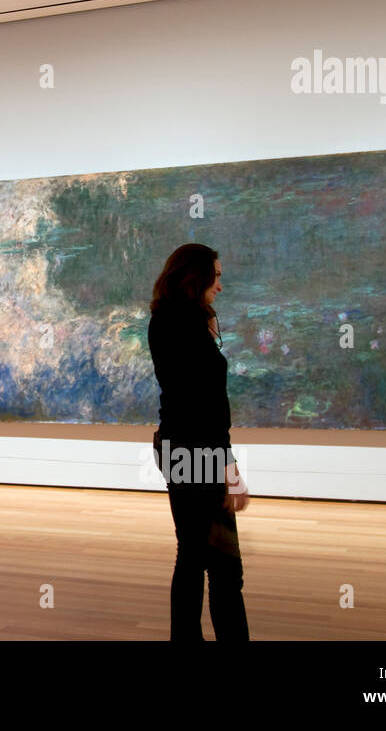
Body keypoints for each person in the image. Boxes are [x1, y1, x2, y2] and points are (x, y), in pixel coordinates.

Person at [147, 243, 250, 641]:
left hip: (178, 447)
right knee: (223, 565)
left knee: (192, 556)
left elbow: (189, 398)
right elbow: (203, 402)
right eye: (217, 276)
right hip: (197, 452)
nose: (220, 286)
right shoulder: (187, 324)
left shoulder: (167, 319)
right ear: (197, 276)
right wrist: (226, 464)